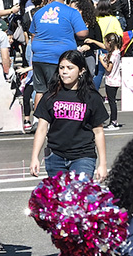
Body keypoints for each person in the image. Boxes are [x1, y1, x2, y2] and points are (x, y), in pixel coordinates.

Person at [28, 49, 109, 184]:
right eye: (61, 67)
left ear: (81, 70)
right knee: (59, 200)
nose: (64, 71)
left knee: (78, 198)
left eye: (70, 68)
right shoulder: (50, 96)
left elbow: (98, 131)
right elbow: (41, 128)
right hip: (55, 156)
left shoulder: (91, 97)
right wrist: (34, 157)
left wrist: (103, 164)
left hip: (83, 157)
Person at [28, 0, 87, 112]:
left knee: (40, 90)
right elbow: (82, 33)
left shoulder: (39, 13)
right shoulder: (71, 12)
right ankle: (56, 118)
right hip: (59, 57)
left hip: (39, 56)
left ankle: (38, 120)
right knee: (59, 89)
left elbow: (33, 33)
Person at [100, 33, 123, 130]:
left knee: (111, 102)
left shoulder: (114, 55)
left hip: (111, 80)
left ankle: (113, 122)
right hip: (116, 79)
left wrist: (101, 60)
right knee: (112, 101)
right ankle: (114, 121)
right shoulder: (117, 52)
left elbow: (108, 69)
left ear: (110, 43)